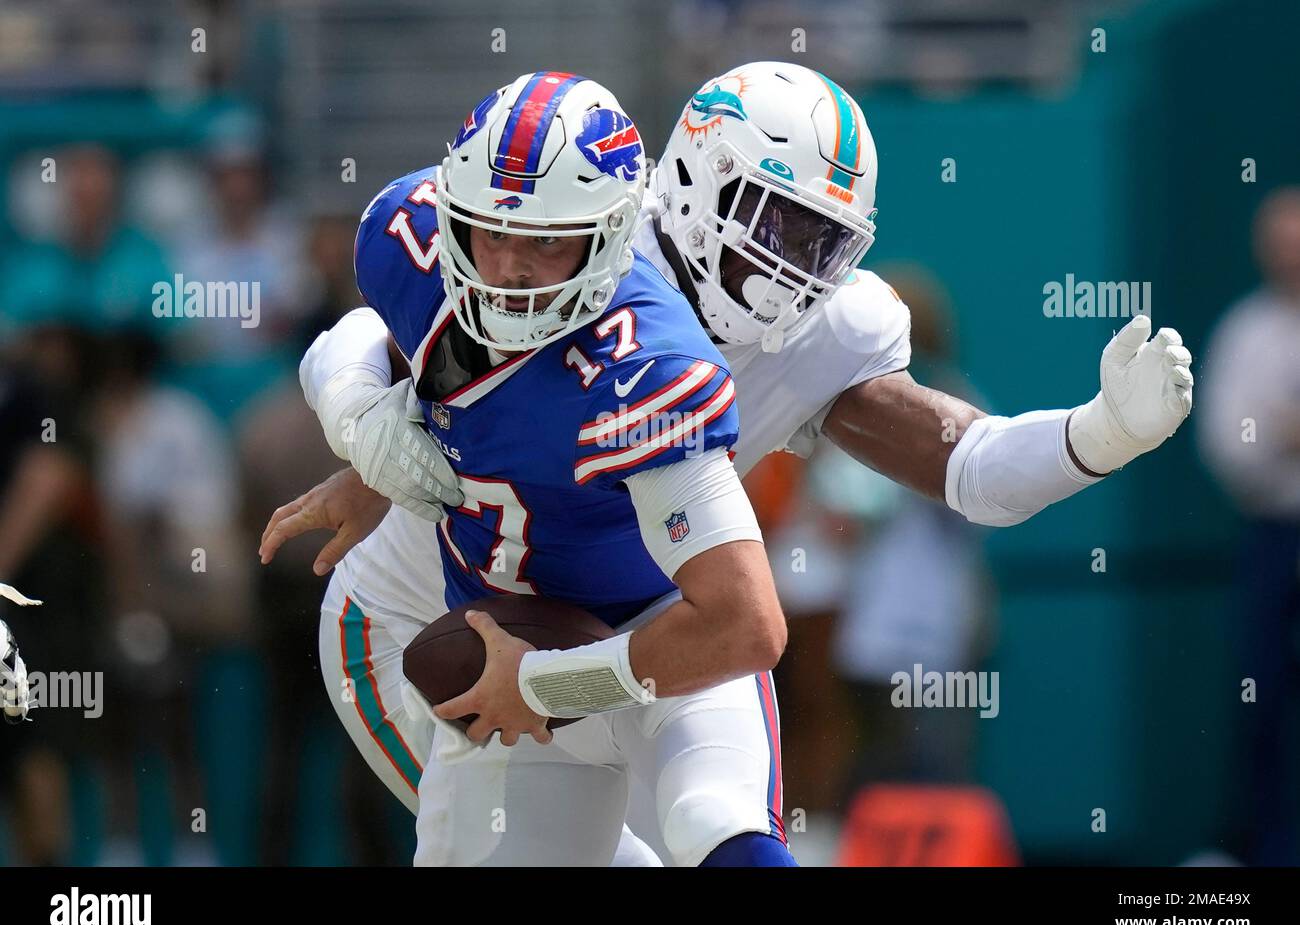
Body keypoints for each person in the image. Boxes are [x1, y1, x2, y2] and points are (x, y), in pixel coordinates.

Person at [263, 63, 1194, 865]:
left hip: (662, 611)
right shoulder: (560, 239)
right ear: (698, 179)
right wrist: (370, 439)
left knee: (716, 821)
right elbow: (387, 332)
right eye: (775, 222)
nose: (795, 264)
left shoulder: (800, 334)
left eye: (820, 240)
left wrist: (1101, 431)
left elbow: (969, 467)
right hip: (434, 604)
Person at [286, 71, 791, 866]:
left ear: (612, 235)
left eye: (547, 241)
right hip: (505, 667)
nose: (511, 268)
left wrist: (552, 683)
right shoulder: (413, 243)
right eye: (490, 232)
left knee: (712, 823)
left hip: (663, 645)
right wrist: (357, 418)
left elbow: (745, 624)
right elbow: (364, 333)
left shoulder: (646, 372)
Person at [1198, 186, 1300, 865]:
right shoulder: (1245, 331)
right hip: (1274, 537)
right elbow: (1228, 445)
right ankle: (1266, 851)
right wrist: (1281, 432)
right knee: (1264, 697)